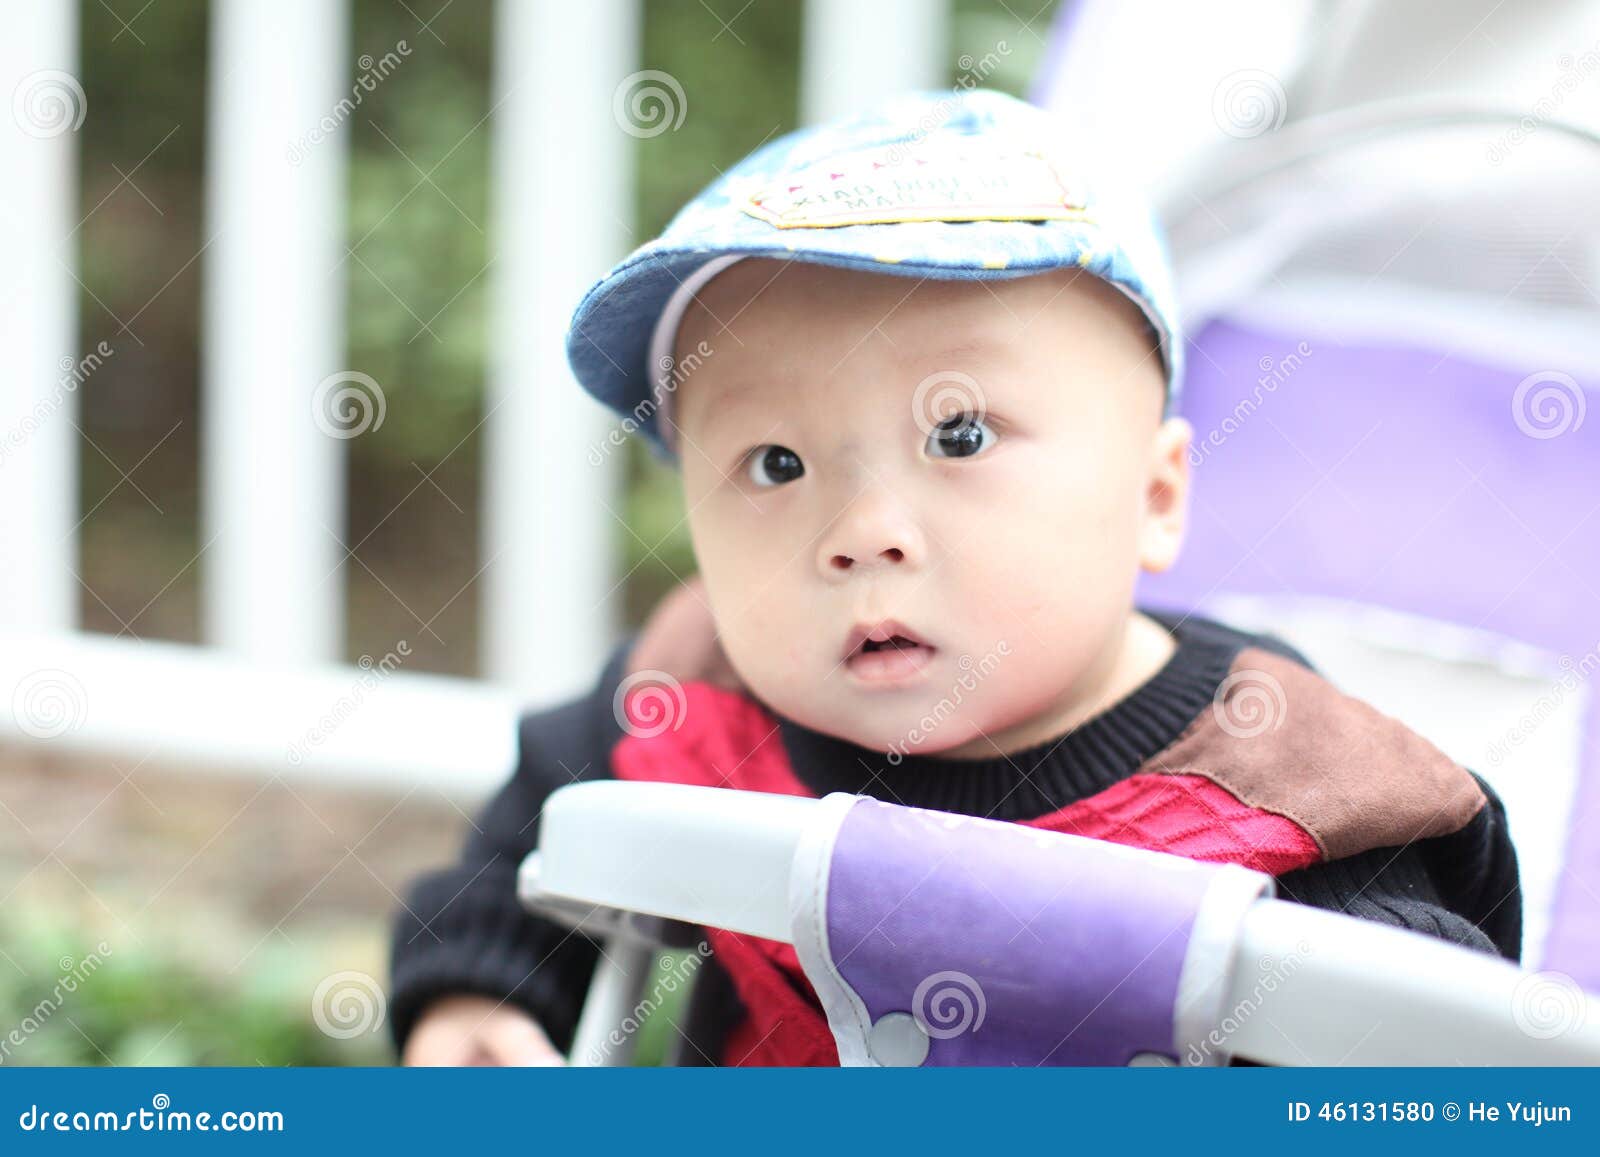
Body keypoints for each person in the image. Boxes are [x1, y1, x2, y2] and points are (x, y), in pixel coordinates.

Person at [390, 89, 1521, 1067]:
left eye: (962, 436)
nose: (861, 533)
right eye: (774, 463)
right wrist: (479, 990)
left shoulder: (1294, 789)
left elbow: (1434, 1035)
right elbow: (533, 831)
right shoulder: (701, 692)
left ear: (1157, 495)